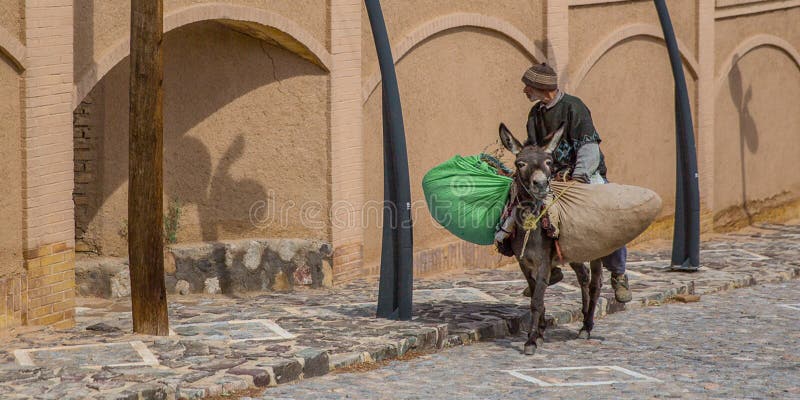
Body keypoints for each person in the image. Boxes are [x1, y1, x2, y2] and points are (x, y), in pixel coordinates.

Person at [496, 62, 632, 303]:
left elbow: (589, 146)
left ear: (541, 87)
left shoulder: (574, 107)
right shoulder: (535, 114)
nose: (525, 90)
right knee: (518, 209)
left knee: (609, 217)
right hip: (549, 177)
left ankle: (619, 273)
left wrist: (578, 176)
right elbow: (534, 148)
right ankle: (547, 267)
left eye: (528, 86)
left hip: (584, 174)